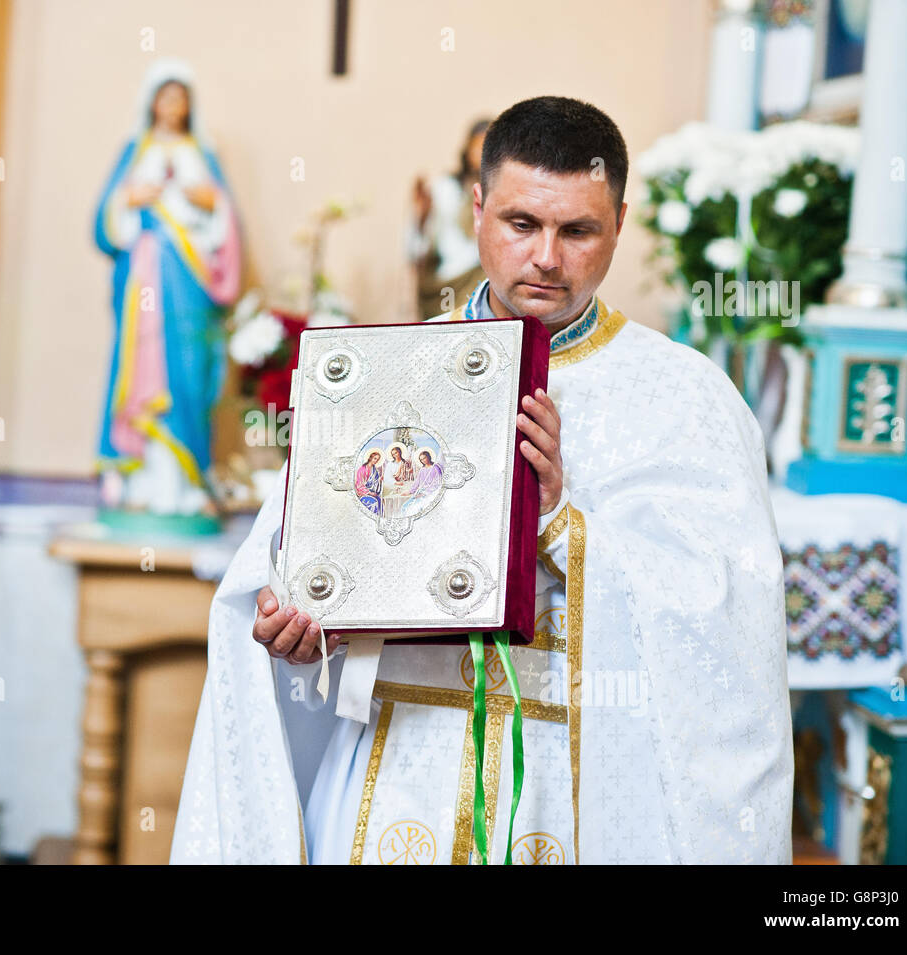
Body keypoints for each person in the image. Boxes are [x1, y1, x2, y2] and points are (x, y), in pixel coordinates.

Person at [171, 96, 792, 865]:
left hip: (571, 796)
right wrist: (302, 627)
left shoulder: (685, 398)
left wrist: (563, 519)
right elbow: (289, 572)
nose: (546, 259)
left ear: (620, 224)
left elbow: (728, 624)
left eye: (579, 231)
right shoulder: (384, 375)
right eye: (522, 224)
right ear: (476, 209)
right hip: (396, 769)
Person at [93, 59, 242, 517]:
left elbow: (226, 224)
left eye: (181, 97)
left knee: (189, 372)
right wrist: (129, 199)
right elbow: (106, 222)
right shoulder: (136, 150)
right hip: (146, 274)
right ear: (153, 101)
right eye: (166, 96)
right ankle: (137, 475)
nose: (173, 105)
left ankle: (189, 478)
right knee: (141, 364)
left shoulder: (203, 152)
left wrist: (211, 203)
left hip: (191, 282)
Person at [407, 118, 491, 321]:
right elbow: (419, 246)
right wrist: (422, 217)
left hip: (483, 273)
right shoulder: (445, 187)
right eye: (477, 146)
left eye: (487, 147)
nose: (481, 154)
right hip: (449, 276)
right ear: (467, 148)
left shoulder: (502, 190)